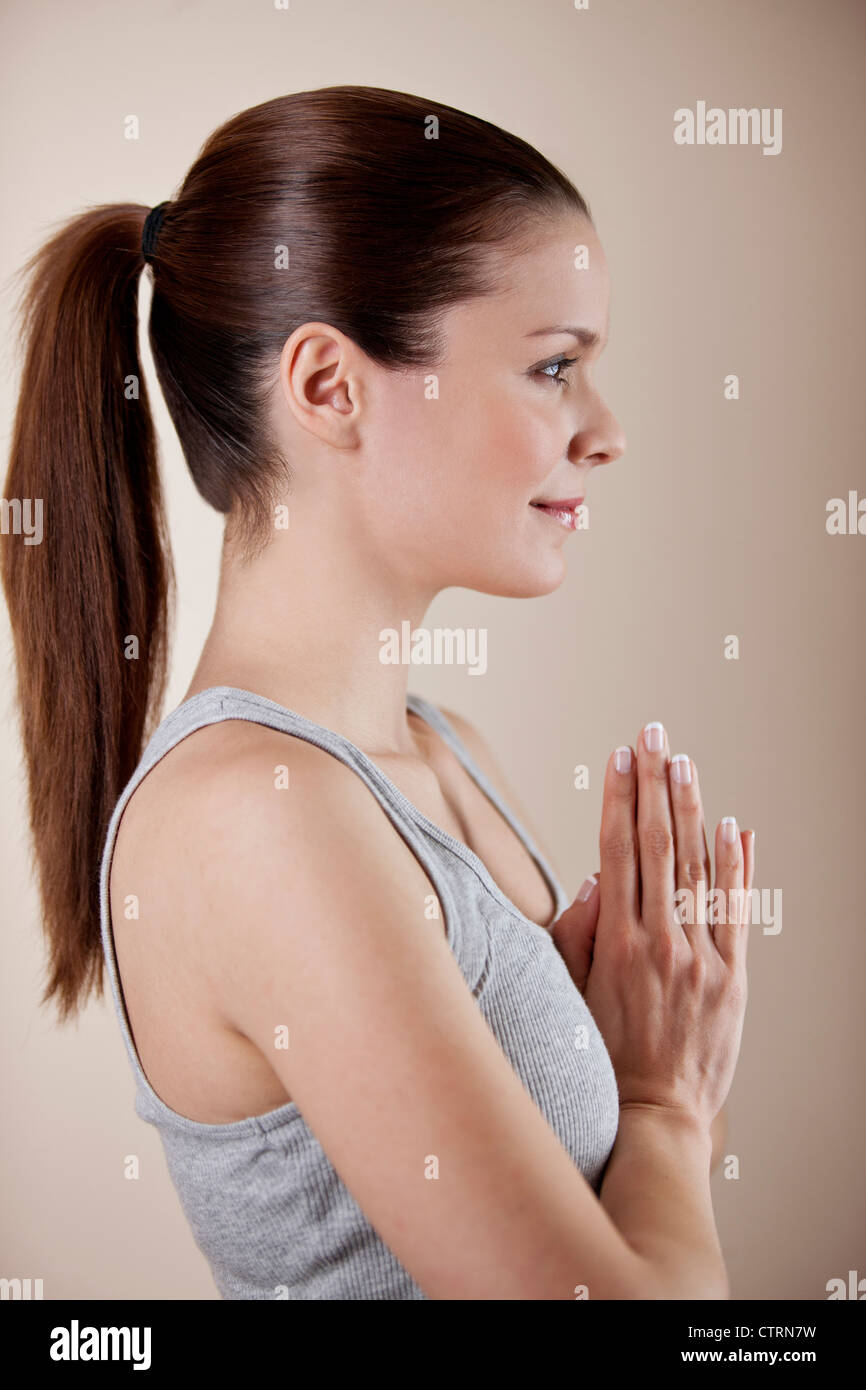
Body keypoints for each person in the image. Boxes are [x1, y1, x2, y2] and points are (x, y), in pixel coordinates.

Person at [1, 84, 755, 1299]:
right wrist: (667, 1103)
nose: (604, 430)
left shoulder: (440, 753)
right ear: (328, 388)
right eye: (553, 366)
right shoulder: (255, 813)